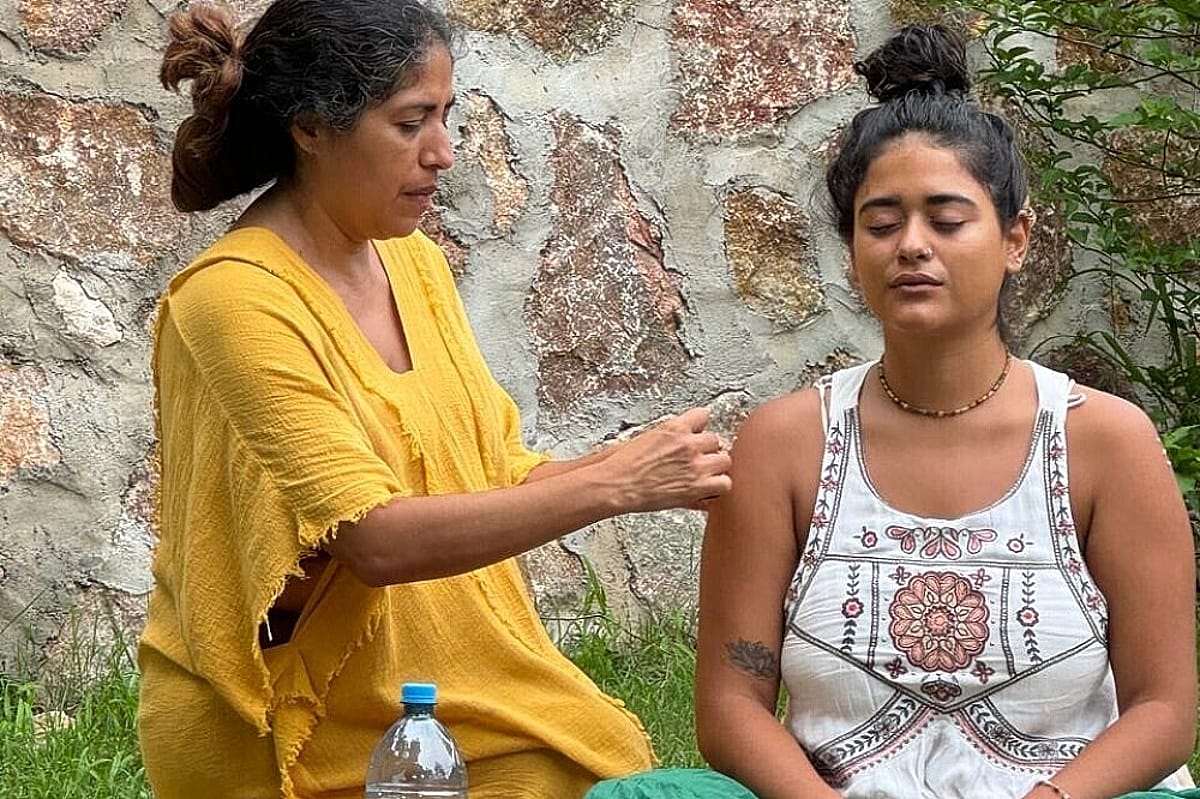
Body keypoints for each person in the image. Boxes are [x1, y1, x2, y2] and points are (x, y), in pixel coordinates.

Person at [138, 2, 733, 798]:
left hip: (427, 700)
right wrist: (618, 484)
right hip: (292, 728)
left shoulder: (412, 263)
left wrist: (643, 466)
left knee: (610, 765)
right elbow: (374, 540)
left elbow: (489, 472)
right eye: (412, 121)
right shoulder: (232, 300)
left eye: (446, 117)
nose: (444, 153)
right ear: (310, 128)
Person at [695, 24, 1198, 799]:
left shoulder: (1103, 439)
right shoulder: (786, 443)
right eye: (882, 222)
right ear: (852, 247)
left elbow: (1164, 707)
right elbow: (732, 703)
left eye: (948, 219)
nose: (912, 246)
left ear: (1017, 238)